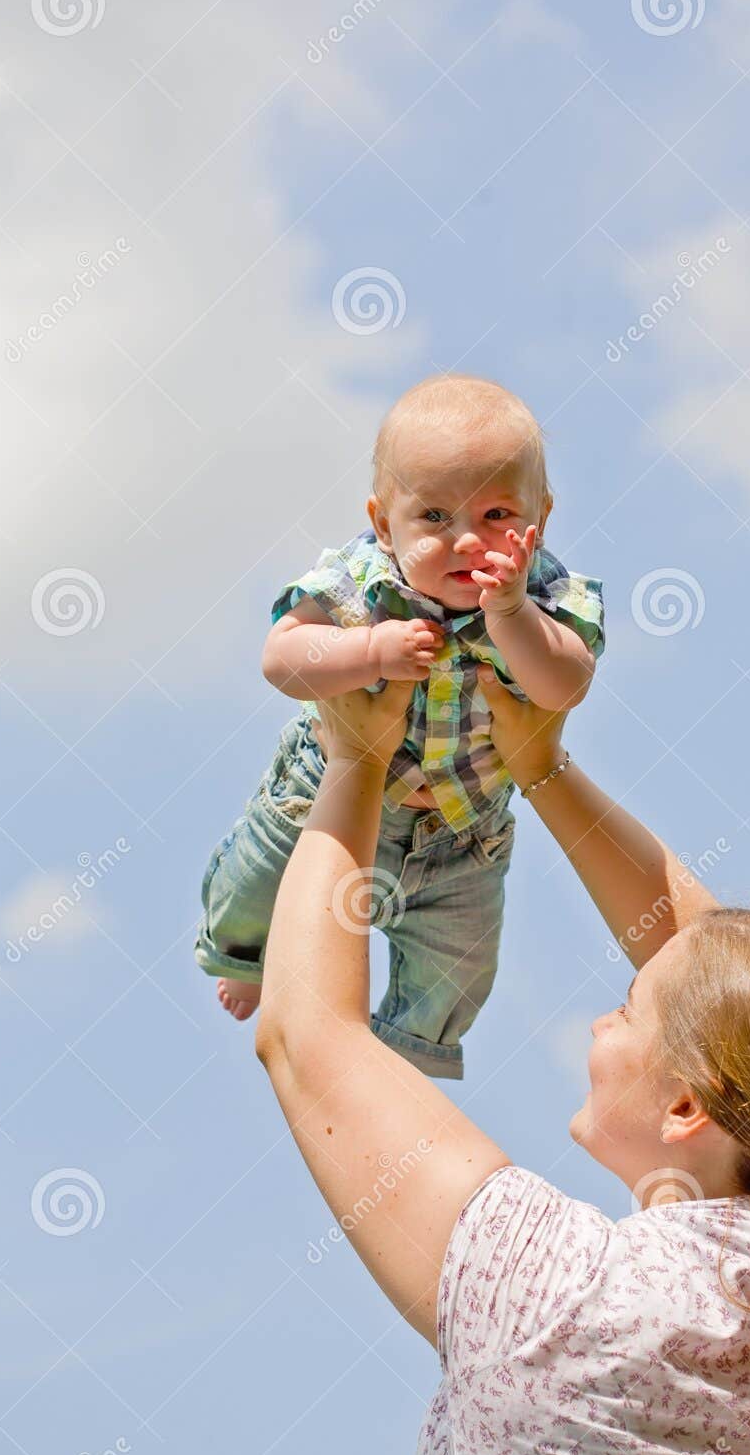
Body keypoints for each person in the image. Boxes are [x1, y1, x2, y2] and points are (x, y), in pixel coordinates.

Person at [253, 671, 750, 1455]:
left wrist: (353, 758)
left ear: (687, 1107)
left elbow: (306, 1035)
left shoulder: (563, 1295)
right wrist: (539, 765)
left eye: (623, 1012)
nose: (595, 1023)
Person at [194, 373, 604, 1076]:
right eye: (435, 518)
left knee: (461, 964)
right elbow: (283, 658)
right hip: (324, 792)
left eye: (498, 515)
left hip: (462, 833)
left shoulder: (545, 596)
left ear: (543, 515)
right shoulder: (358, 578)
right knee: (253, 890)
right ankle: (249, 955)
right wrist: (367, 650)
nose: (468, 542)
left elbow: (563, 684)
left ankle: (402, 1059)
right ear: (385, 523)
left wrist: (509, 615)